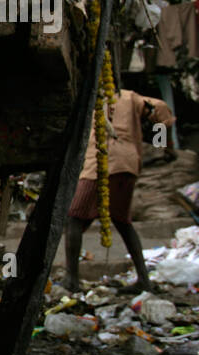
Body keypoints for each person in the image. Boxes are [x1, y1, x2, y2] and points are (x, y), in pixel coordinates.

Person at [62, 88, 174, 292]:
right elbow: (160, 109)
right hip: (127, 163)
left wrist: (164, 145)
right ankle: (143, 279)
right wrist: (166, 146)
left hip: (99, 164)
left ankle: (72, 280)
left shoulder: (88, 96)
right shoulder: (130, 97)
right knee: (122, 221)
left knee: (74, 218)